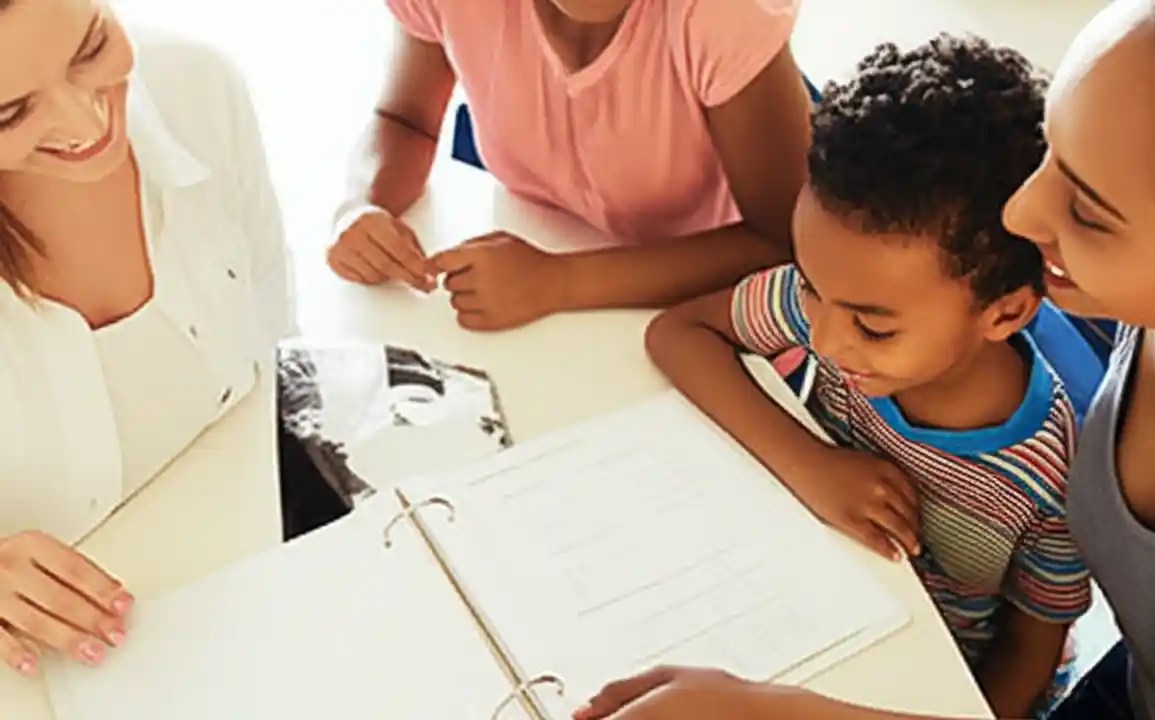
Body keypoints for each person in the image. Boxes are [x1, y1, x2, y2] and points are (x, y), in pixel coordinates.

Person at [572, 0, 1155, 718]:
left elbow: (1030, 654)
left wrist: (759, 713)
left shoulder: (1048, 446)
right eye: (1049, 155)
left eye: (1090, 212)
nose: (1019, 215)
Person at [643, 34, 1087, 718]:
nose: (822, 336)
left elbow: (1029, 657)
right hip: (802, 606)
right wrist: (811, 463)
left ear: (1005, 314)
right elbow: (677, 333)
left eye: (873, 327)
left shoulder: (1051, 476)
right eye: (814, 288)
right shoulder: (824, 298)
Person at [0, 0, 294, 677]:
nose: (88, 121)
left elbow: (272, 345)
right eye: (10, 113)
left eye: (91, 47)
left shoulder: (197, 88)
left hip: (249, 614)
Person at [327, 0, 811, 331]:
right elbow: (404, 120)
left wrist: (560, 282)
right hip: (543, 249)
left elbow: (786, 241)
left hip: (699, 299)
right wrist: (360, 206)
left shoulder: (722, 16)